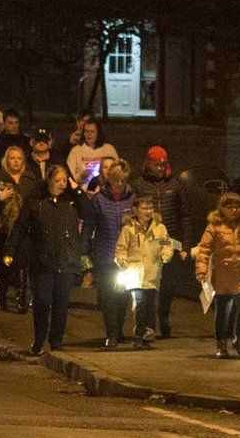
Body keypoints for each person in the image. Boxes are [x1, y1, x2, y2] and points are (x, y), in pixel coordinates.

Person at [7, 165, 94, 355]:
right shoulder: (37, 202)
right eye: (58, 180)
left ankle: (56, 341)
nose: (62, 184)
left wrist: (77, 189)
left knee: (61, 303)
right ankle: (39, 340)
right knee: (42, 300)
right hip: (42, 260)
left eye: (65, 180)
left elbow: (89, 213)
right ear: (49, 181)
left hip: (66, 260)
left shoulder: (71, 201)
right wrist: (10, 250)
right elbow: (21, 227)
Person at [194, 192, 240, 359]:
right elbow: (204, 249)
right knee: (223, 311)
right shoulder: (214, 226)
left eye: (237, 207)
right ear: (222, 208)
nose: (235, 210)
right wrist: (202, 270)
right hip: (223, 275)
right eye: (230, 207)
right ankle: (221, 343)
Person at [130, 146, 190, 339]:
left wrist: (186, 245)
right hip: (147, 242)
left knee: (169, 285)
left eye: (163, 165)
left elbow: (184, 215)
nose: (160, 169)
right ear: (149, 164)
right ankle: (148, 324)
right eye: (157, 165)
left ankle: (163, 317)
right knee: (148, 284)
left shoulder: (175, 185)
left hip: (170, 240)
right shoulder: (138, 185)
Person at [82, 159, 135, 348]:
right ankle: (111, 333)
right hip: (105, 255)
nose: (119, 185)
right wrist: (85, 252)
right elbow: (89, 226)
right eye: (116, 180)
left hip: (127, 257)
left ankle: (119, 330)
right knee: (108, 296)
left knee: (123, 296)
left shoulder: (131, 198)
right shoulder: (99, 199)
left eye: (123, 181)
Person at [0, 146, 40, 312]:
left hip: (22, 228)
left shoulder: (29, 178)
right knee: (3, 264)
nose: (15, 161)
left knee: (21, 263)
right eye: (12, 158)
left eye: (19, 158)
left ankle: (21, 299)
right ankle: (1, 298)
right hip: (2, 227)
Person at [114, 196, 174, 350]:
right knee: (139, 304)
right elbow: (121, 248)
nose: (147, 212)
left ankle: (147, 333)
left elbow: (167, 245)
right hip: (135, 273)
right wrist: (121, 260)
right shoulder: (129, 228)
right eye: (144, 208)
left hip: (153, 273)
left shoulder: (159, 228)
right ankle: (139, 335)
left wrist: (165, 256)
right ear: (135, 210)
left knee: (150, 305)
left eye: (150, 208)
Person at [66, 119, 119, 188]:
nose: (89, 134)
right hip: (83, 190)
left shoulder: (109, 149)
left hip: (107, 189)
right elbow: (71, 174)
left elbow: (118, 172)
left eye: (92, 131)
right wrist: (81, 177)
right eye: (86, 132)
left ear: (98, 133)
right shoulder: (76, 151)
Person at [25, 127, 62, 191]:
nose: (41, 143)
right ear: (31, 142)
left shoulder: (57, 160)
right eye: (38, 140)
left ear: (49, 143)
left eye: (44, 140)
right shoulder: (25, 161)